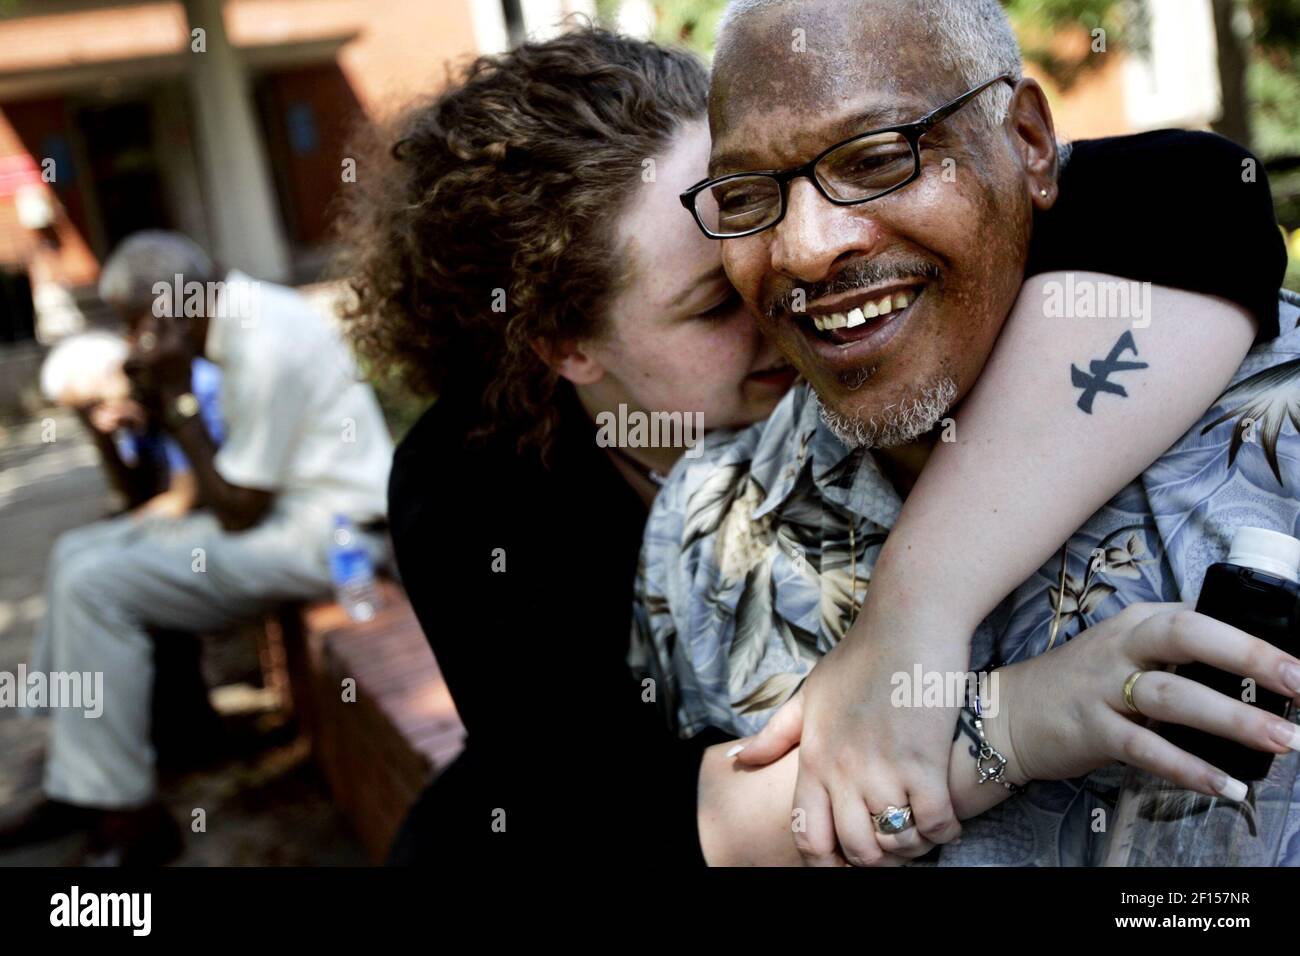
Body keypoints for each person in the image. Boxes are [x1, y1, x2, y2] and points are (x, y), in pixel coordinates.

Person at [342, 25, 1290, 865]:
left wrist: (911, 613)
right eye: (717, 304)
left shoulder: (853, 253)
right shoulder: (471, 494)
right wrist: (1013, 722)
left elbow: (1201, 198)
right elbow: (621, 823)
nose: (797, 285)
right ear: (569, 348)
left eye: (743, 210)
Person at [633, 0, 1300, 865]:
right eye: (748, 195)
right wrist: (1004, 733)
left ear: (1027, 144)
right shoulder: (705, 527)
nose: (804, 249)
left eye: (876, 158)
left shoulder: (1272, 434)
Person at [0, 231, 393, 866]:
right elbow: (220, 494)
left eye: (135, 325)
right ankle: (82, 773)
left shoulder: (262, 340)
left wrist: (178, 395)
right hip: (286, 517)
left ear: (167, 311)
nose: (132, 344)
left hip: (332, 535)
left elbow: (239, 511)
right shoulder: (240, 320)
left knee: (96, 583)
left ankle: (126, 814)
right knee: (77, 552)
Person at [40, 330, 224, 518]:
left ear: (117, 371)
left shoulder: (187, 388)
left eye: (95, 405)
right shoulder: (135, 415)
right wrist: (103, 440)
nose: (100, 420)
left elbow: (183, 498)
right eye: (85, 415)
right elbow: (137, 494)